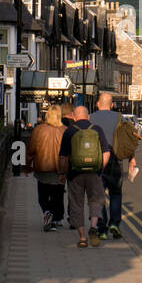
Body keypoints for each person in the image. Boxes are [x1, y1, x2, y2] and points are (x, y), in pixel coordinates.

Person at [59, 104, 111, 248]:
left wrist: (62, 173)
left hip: (75, 174)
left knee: (76, 204)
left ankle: (82, 237)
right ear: (88, 117)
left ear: (74, 117)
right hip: (94, 172)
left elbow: (63, 157)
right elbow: (106, 153)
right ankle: (93, 227)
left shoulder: (69, 131)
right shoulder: (97, 129)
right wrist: (100, 168)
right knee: (96, 200)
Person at [88, 92, 125, 241]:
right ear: (112, 105)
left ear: (98, 104)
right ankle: (114, 223)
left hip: (97, 161)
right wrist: (132, 159)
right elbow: (126, 141)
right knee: (115, 193)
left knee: (98, 195)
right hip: (115, 160)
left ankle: (102, 229)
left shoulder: (90, 118)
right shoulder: (119, 118)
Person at [26, 106, 65, 231]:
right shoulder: (65, 130)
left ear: (47, 115)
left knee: (42, 196)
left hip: (42, 168)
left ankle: (47, 212)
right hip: (60, 169)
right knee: (57, 196)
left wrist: (27, 166)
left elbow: (31, 150)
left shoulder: (39, 129)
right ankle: (54, 221)